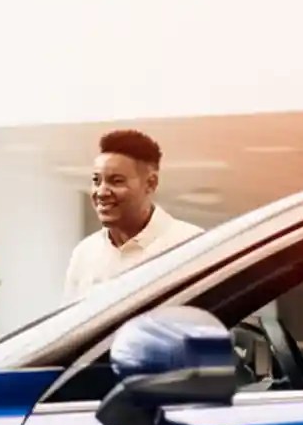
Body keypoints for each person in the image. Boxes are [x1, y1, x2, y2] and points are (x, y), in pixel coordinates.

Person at [62, 129, 203, 301]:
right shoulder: (85, 252)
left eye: (116, 181)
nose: (102, 192)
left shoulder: (190, 246)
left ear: (150, 183)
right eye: (96, 181)